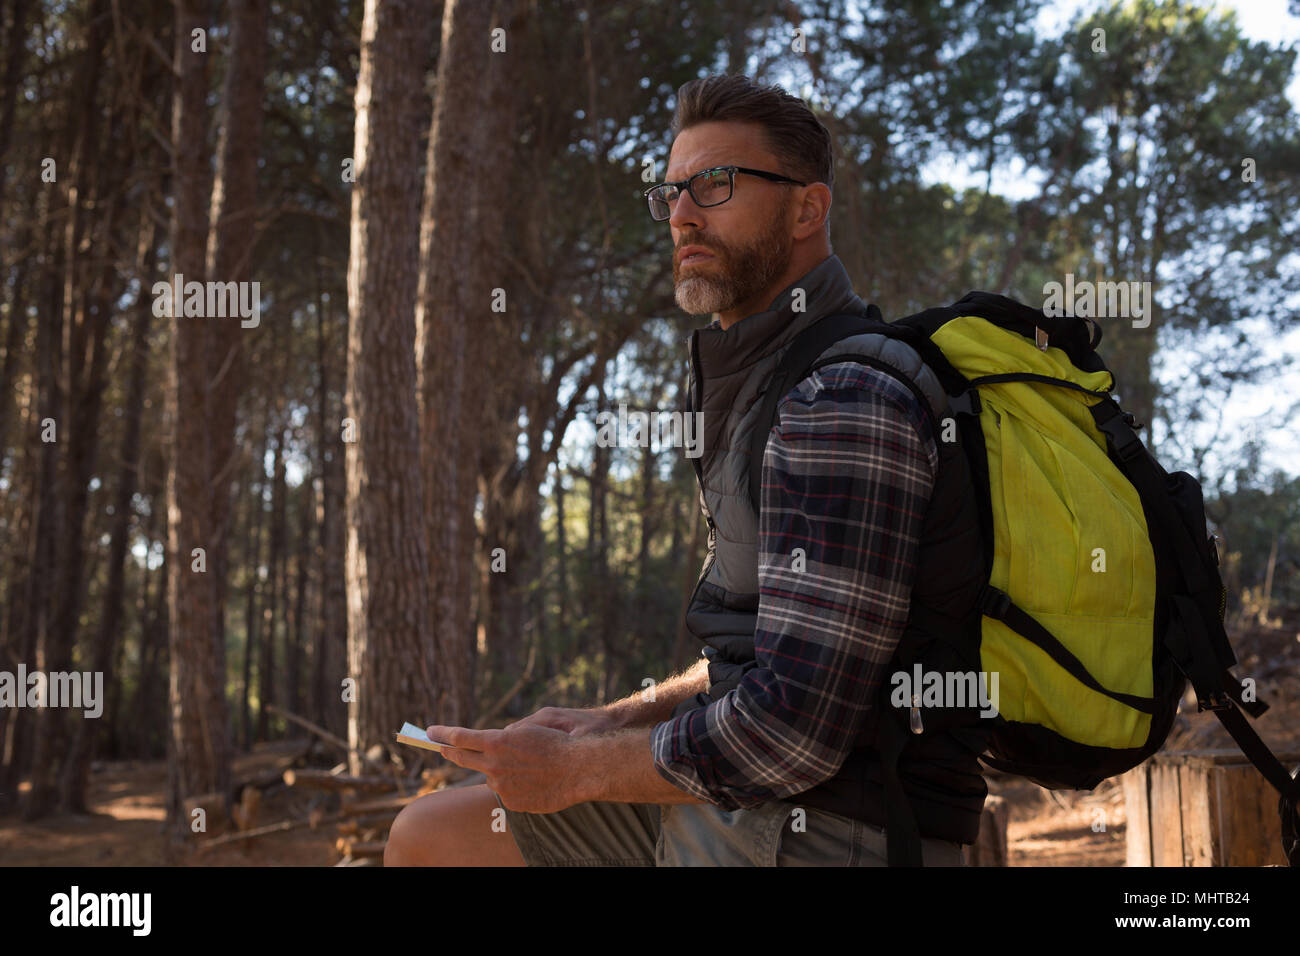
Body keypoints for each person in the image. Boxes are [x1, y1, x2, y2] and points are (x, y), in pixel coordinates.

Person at [385, 74, 988, 867]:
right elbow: (763, 652)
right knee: (431, 839)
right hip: (751, 800)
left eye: (716, 183)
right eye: (671, 191)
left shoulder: (845, 395)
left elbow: (792, 733)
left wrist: (577, 769)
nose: (681, 214)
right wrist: (608, 722)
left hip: (831, 828)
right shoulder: (767, 377)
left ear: (808, 209)